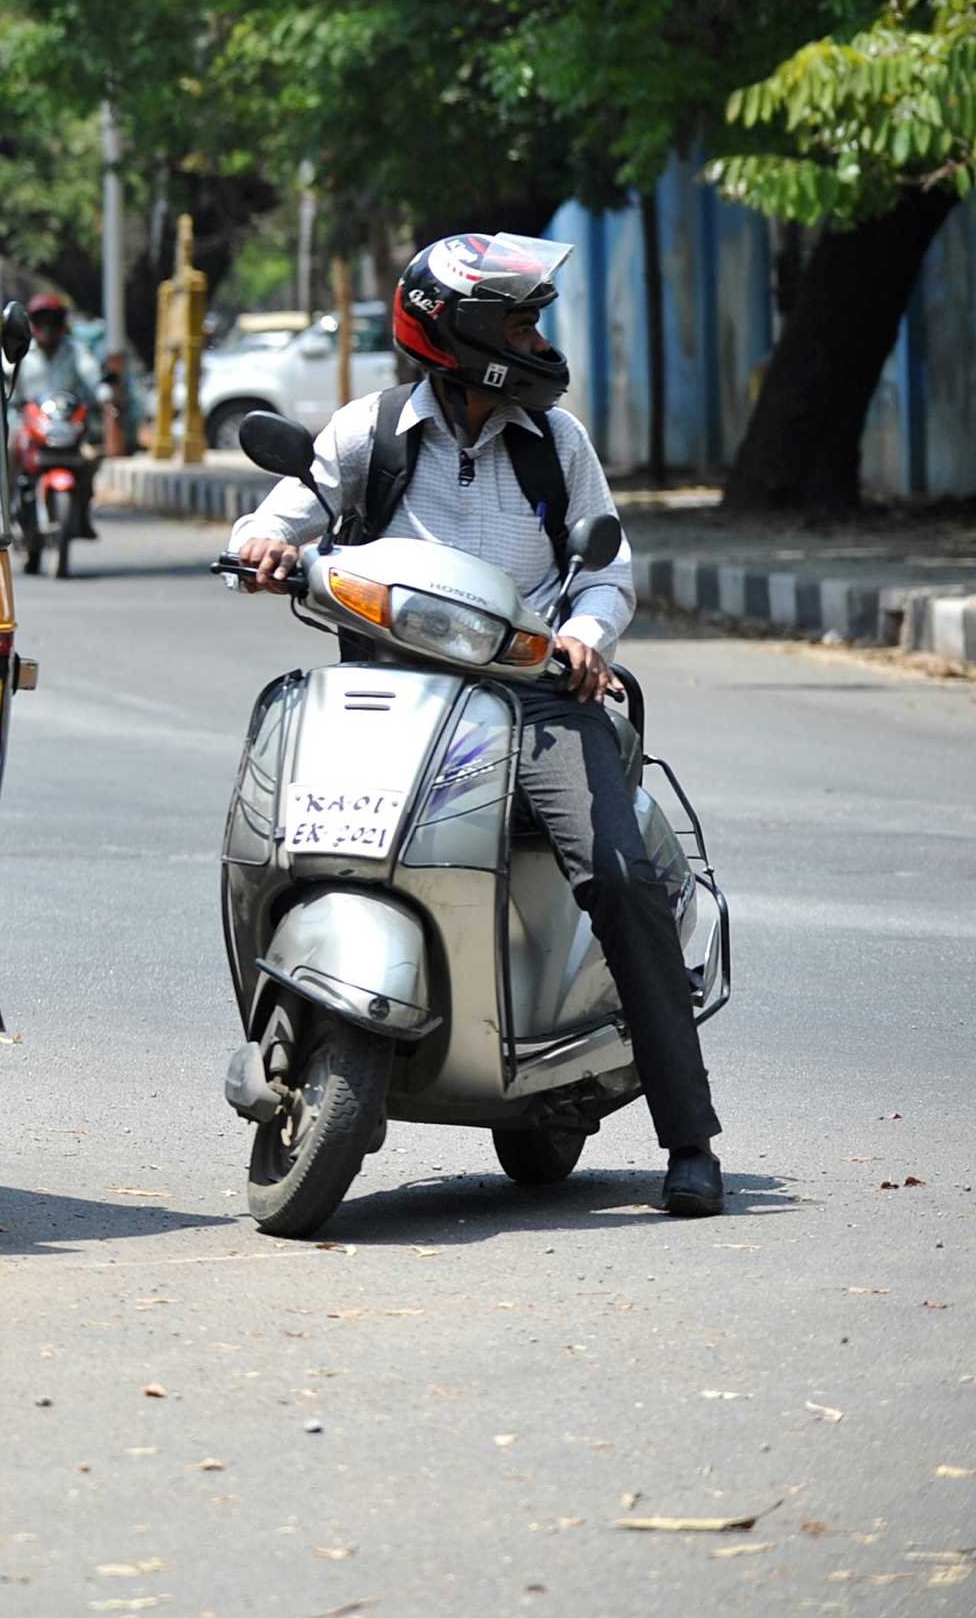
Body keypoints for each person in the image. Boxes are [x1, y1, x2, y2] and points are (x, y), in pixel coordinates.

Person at [227, 232, 725, 1219]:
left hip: (533, 700)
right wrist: (259, 546)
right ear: (460, 330)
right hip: (392, 693)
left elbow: (609, 570)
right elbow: (287, 511)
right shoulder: (368, 434)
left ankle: (691, 1135)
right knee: (289, 833)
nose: (535, 336)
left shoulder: (558, 445)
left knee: (621, 880)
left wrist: (587, 632)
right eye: (520, 319)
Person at [15, 291, 105, 537]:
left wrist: (105, 395)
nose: (47, 328)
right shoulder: (22, 352)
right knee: (8, 453)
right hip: (29, 424)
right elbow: (3, 375)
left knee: (91, 458)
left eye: (53, 321)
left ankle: (82, 513)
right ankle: (5, 510)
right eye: (41, 321)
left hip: (67, 424)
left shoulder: (75, 351)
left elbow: (93, 375)